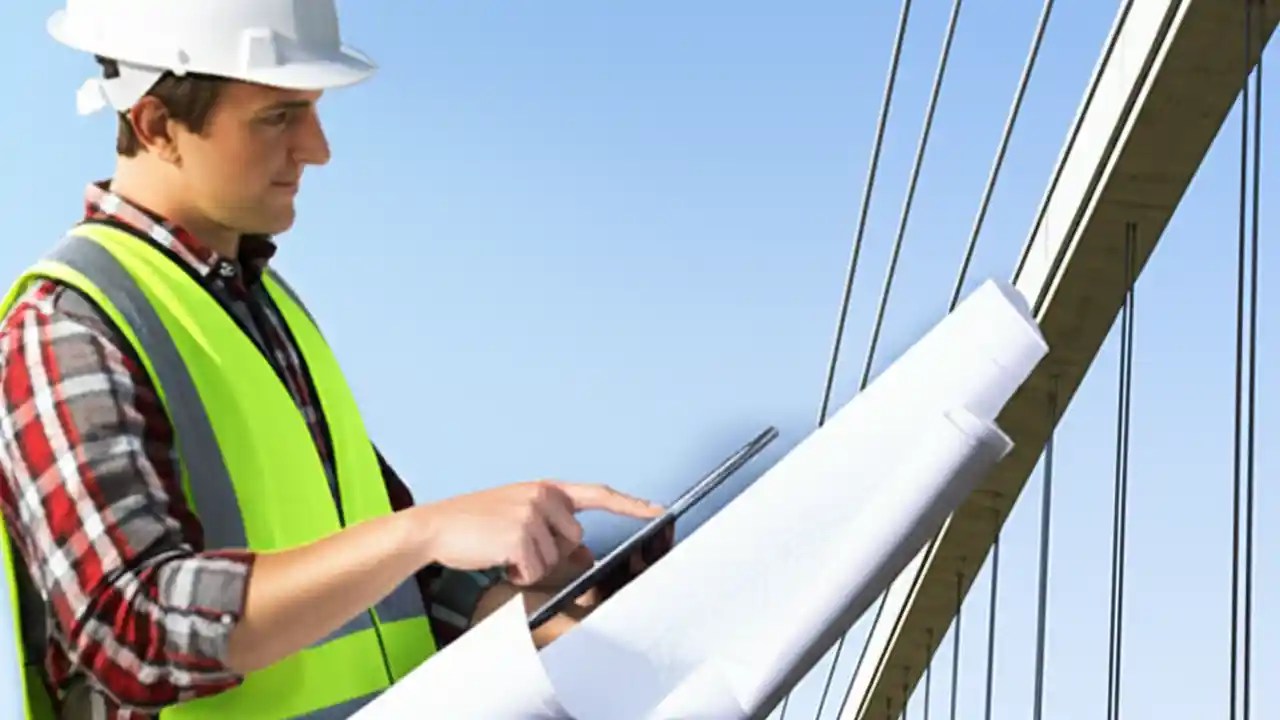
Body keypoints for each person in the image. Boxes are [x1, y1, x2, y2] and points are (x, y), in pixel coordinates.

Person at [0, 2, 674, 718]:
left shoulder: (261, 309)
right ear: (157, 124)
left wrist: (524, 605)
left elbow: (380, 587)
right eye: (278, 117)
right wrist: (424, 531)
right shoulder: (65, 328)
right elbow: (130, 630)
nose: (317, 148)